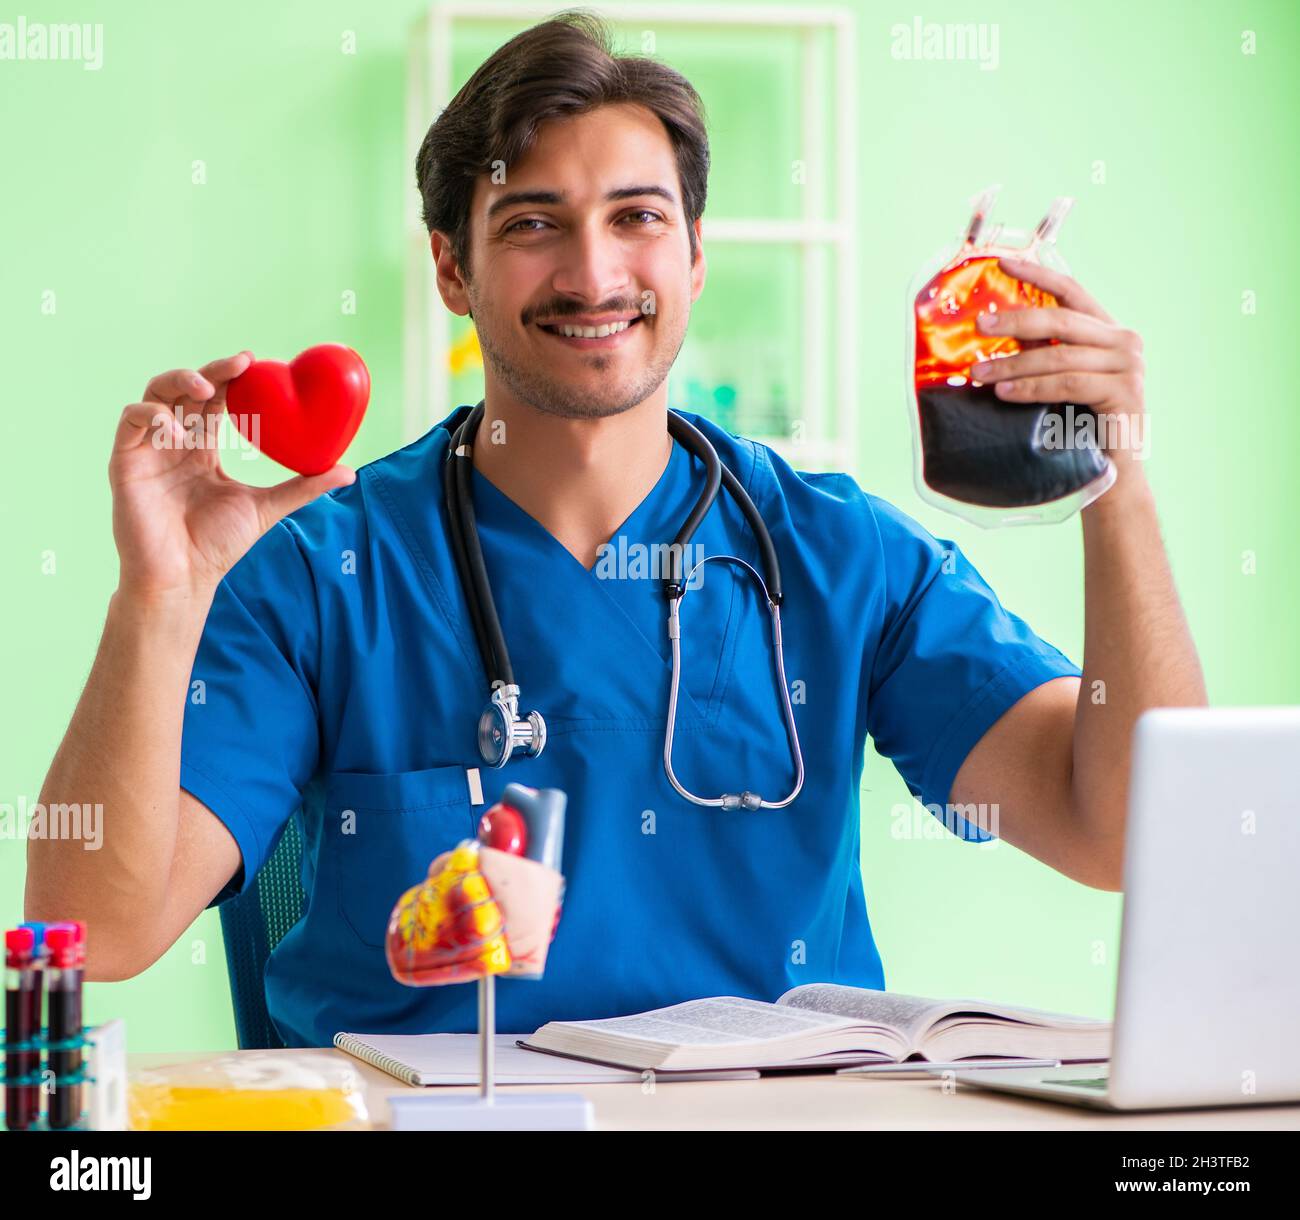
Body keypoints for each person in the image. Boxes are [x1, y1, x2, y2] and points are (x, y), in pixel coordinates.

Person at [27, 13, 1205, 1047]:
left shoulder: (842, 560)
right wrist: (159, 597)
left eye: (635, 216)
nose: (593, 272)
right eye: (533, 221)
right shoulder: (324, 570)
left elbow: (1131, 836)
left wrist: (1119, 485)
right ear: (452, 265)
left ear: (692, 253)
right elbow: (103, 929)